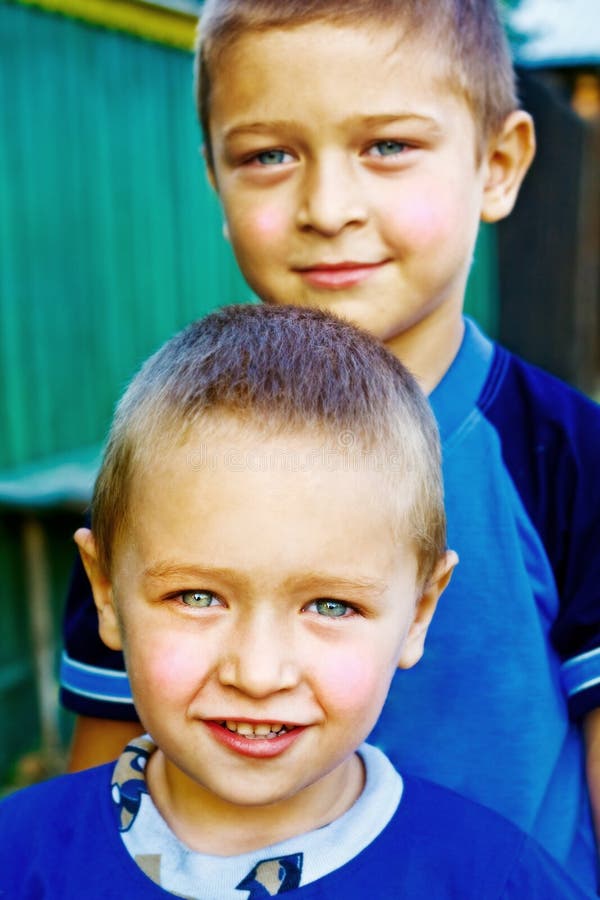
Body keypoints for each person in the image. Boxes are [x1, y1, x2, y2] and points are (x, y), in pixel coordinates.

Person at [59, 0, 600, 891]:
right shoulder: (165, 470)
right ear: (214, 176)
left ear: (497, 165)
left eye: (386, 146)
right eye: (269, 155)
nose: (326, 206)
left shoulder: (570, 464)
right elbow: (89, 832)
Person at [1, 305, 593, 898]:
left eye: (331, 607)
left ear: (419, 613)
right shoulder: (20, 857)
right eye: (198, 596)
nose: (259, 675)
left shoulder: (495, 880)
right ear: (106, 593)